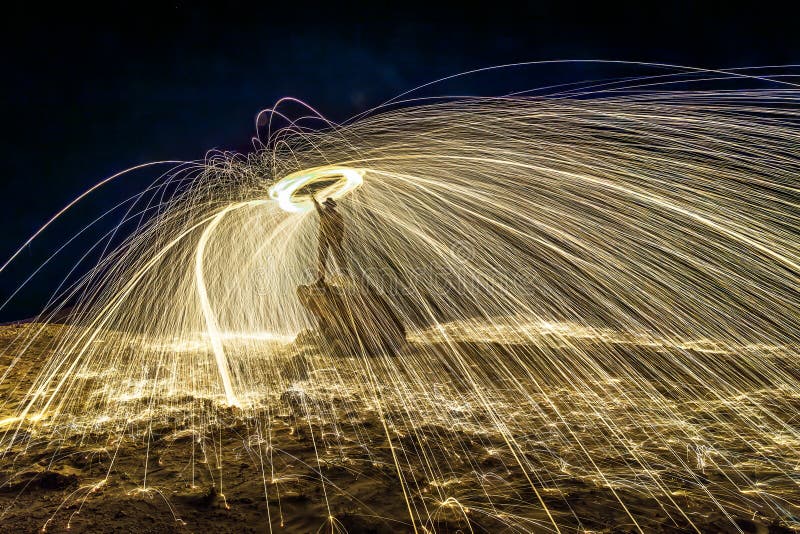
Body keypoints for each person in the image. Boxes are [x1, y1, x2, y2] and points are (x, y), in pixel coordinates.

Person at [312, 195, 346, 284]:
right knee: (322, 258)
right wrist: (313, 200)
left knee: (338, 256)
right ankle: (321, 277)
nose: (327, 207)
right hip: (323, 239)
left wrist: (337, 239)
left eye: (328, 206)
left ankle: (344, 274)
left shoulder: (337, 215)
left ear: (332, 206)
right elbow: (318, 208)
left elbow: (341, 228)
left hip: (333, 239)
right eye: (326, 205)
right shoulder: (323, 213)